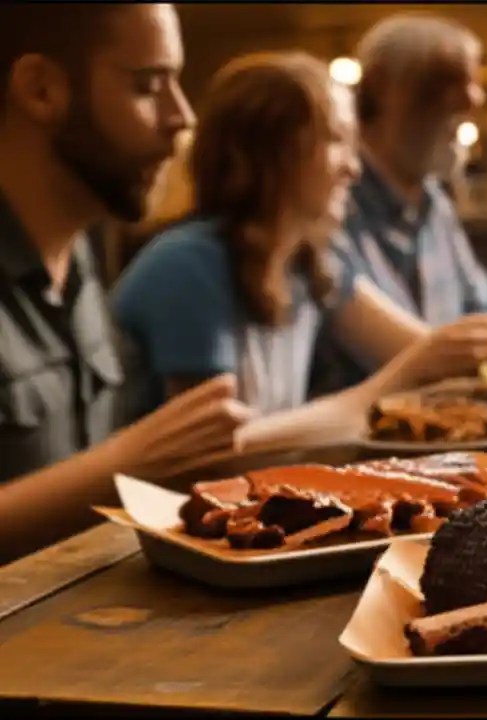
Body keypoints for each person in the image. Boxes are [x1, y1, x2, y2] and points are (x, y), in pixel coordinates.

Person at [111, 51, 487, 452]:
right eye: (337, 140)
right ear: (273, 149)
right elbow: (211, 454)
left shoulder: (307, 264)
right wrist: (382, 389)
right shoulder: (188, 265)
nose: (354, 169)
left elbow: (421, 352)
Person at [0, 4, 253, 562]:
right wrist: (126, 464)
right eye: (148, 85)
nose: (182, 117)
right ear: (41, 89)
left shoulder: (82, 256)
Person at [311, 15, 487, 396]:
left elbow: (481, 305)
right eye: (442, 80)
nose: (473, 99)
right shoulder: (328, 202)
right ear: (380, 88)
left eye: (472, 82)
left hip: (446, 431)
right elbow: (407, 354)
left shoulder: (435, 203)